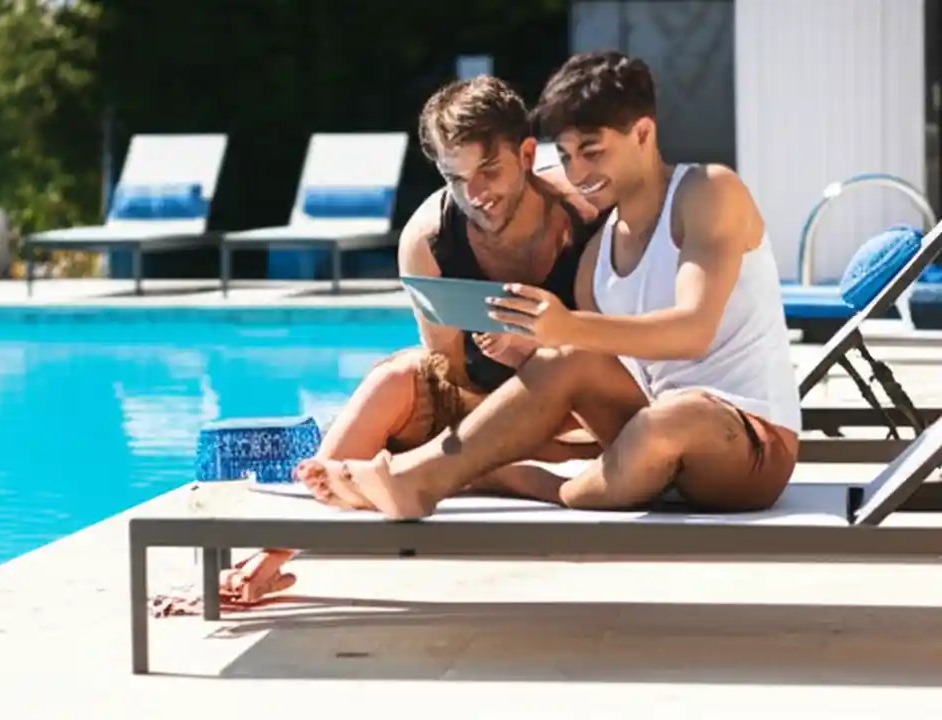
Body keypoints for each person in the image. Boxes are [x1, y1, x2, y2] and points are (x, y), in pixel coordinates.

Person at [294, 50, 803, 519]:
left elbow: (693, 331)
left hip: (749, 438)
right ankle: (423, 480)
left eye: (592, 151)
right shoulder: (598, 255)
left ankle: (502, 479)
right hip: (649, 430)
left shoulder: (708, 191)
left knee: (669, 419)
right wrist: (533, 349)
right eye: (566, 155)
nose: (577, 172)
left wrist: (566, 327)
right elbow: (606, 369)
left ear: (643, 133)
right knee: (578, 367)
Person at [218, 74, 610, 604]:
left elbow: (621, 358)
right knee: (397, 377)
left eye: (489, 170)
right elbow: (450, 370)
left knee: (578, 386)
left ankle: (470, 471)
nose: (476, 195)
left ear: (524, 154)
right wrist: (500, 398)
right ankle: (273, 554)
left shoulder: (587, 216)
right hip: (477, 404)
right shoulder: (429, 241)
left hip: (576, 414)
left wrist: (530, 355)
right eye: (456, 178)